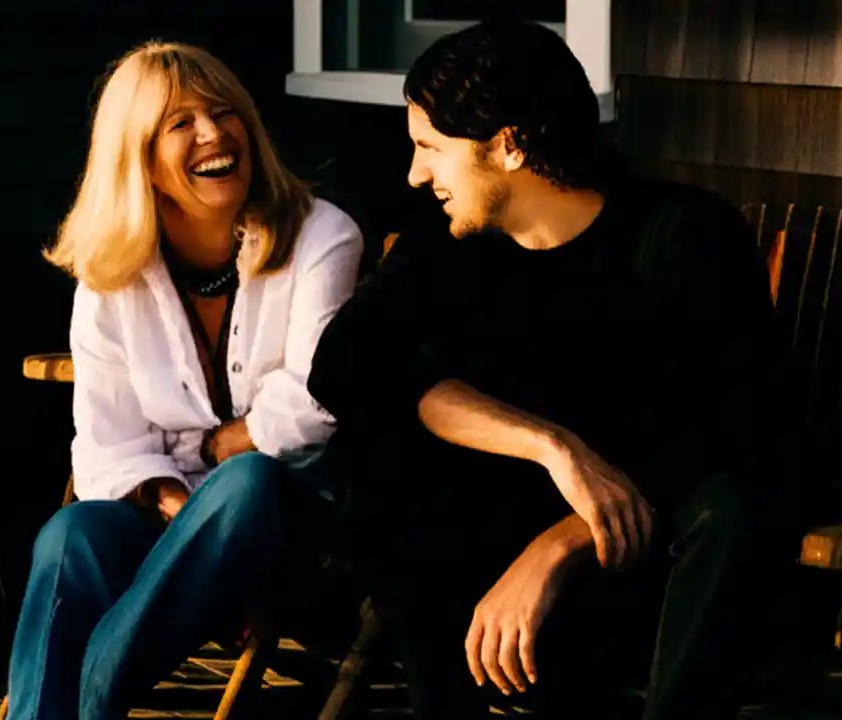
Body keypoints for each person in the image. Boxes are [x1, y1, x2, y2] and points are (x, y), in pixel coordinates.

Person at [307, 17, 795, 720]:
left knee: (735, 504)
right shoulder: (444, 248)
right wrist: (550, 447)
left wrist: (562, 540)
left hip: (646, 553)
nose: (415, 175)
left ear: (510, 145)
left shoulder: (682, 235)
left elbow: (743, 422)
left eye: (430, 149)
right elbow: (342, 368)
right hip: (488, 564)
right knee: (385, 462)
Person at [3, 40, 364, 720]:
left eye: (224, 113)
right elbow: (107, 451)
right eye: (180, 124)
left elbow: (312, 407)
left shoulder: (322, 237)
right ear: (139, 159)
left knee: (248, 481)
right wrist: (182, 516)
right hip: (177, 541)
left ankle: (91, 702)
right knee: (70, 535)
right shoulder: (112, 275)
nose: (213, 134)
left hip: (302, 530)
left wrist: (204, 450)